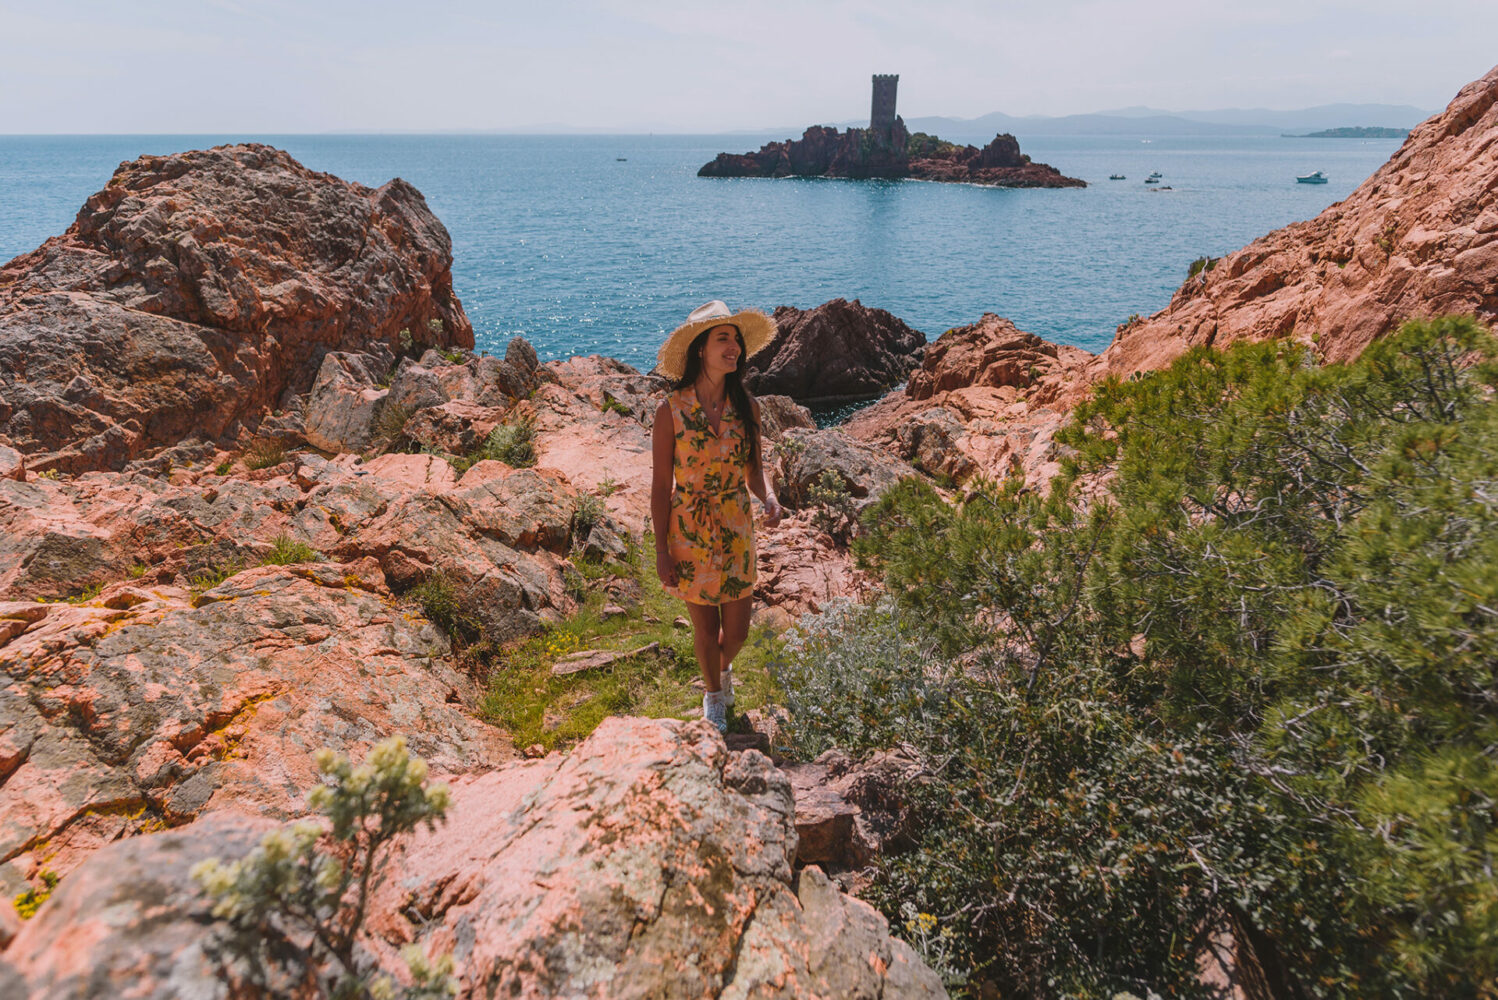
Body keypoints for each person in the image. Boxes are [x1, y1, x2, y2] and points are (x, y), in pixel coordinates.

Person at [651, 300, 783, 733]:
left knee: (739, 631)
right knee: (705, 628)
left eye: (736, 340)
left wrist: (770, 498)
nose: (734, 347)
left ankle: (720, 671)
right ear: (700, 350)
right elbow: (659, 487)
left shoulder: (747, 406)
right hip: (688, 528)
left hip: (737, 527)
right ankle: (713, 697)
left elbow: (755, 473)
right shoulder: (669, 412)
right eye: (722, 338)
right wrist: (661, 553)